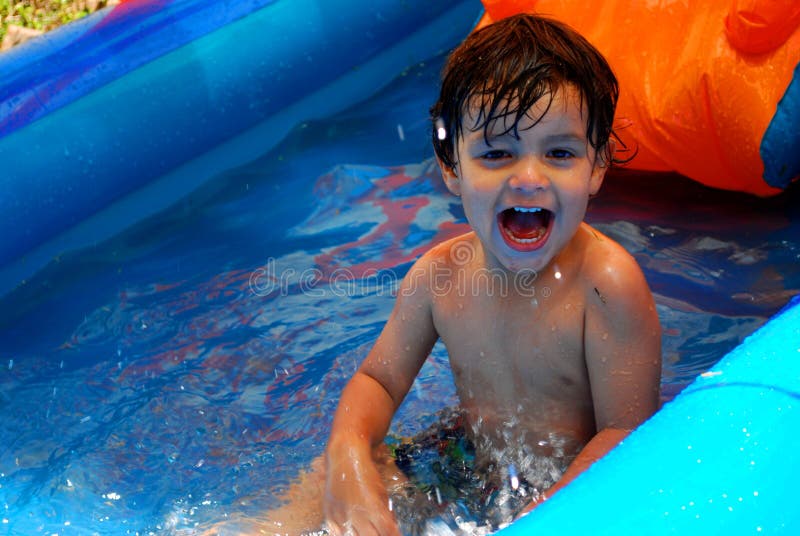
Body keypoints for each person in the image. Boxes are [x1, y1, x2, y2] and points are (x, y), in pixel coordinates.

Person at [273, 13, 661, 535]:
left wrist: (543, 517)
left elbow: (625, 432)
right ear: (452, 167)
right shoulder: (439, 277)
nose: (529, 178)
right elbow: (377, 381)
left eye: (559, 153)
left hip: (568, 483)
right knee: (323, 489)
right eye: (497, 153)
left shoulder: (606, 285)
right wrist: (347, 454)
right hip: (462, 458)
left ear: (597, 166)